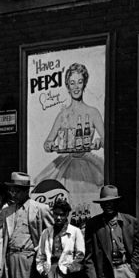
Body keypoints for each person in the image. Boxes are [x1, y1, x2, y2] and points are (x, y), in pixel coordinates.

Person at [39, 63, 105, 209]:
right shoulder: (63, 114)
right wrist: (50, 145)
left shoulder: (92, 112)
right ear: (67, 86)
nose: (76, 87)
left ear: (84, 84)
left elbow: (107, 139)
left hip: (87, 164)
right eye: (72, 83)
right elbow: (47, 142)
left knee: (88, 202)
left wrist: (99, 142)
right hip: (67, 164)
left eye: (80, 82)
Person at [0, 172, 52, 278]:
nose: (13, 194)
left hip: (29, 259)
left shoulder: (41, 209)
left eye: (17, 191)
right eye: (11, 191)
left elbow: (51, 236)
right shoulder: (6, 212)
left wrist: (45, 261)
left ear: (26, 191)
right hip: (9, 259)